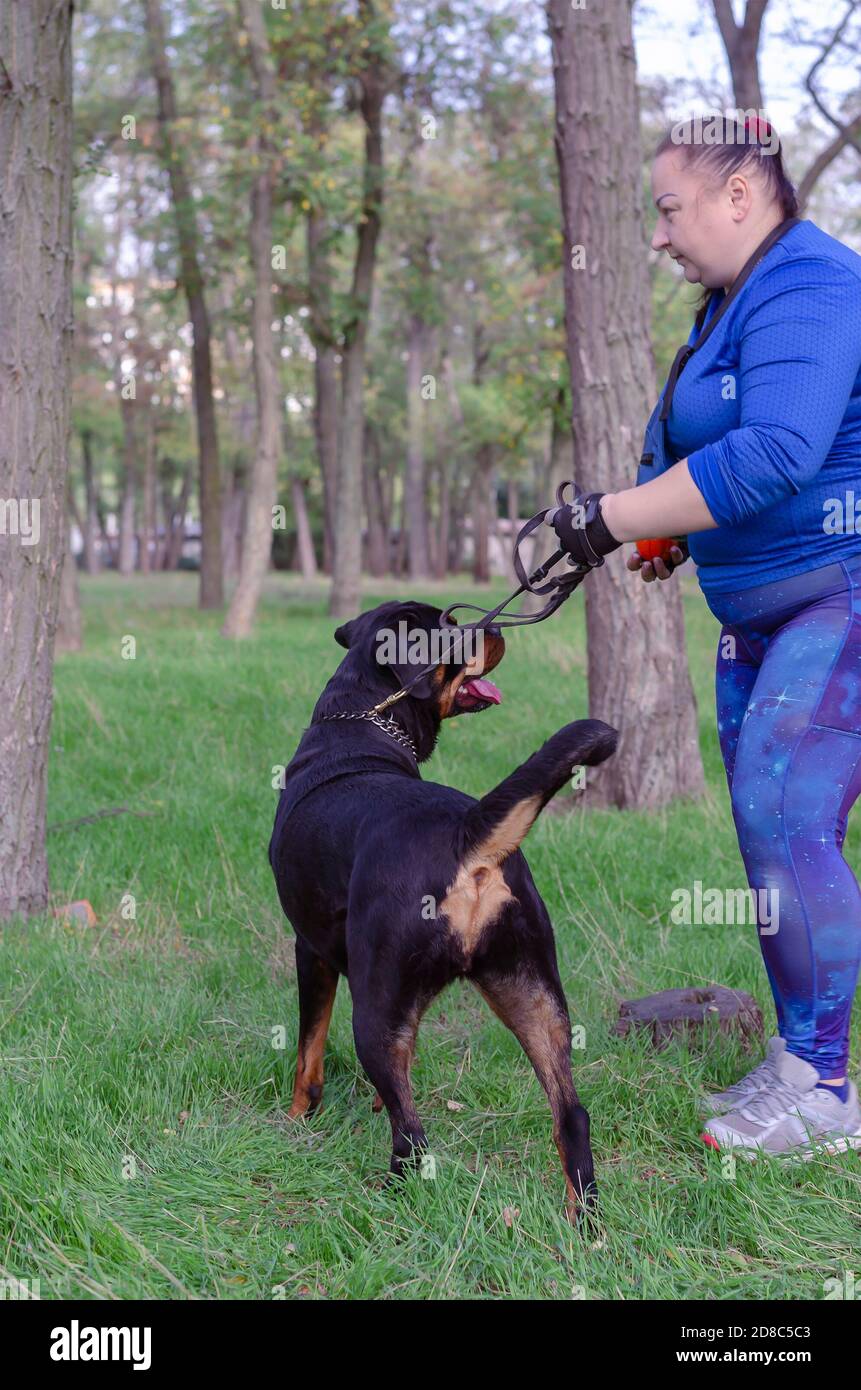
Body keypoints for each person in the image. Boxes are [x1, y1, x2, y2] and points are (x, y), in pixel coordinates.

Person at [549, 114, 861, 1160]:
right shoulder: (733, 302)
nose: (659, 234)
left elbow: (777, 449)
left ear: (741, 194)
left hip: (842, 601)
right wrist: (667, 531)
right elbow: (711, 445)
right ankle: (801, 1056)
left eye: (670, 208)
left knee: (785, 810)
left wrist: (609, 517)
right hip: (761, 615)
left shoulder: (813, 281)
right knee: (769, 831)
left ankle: (824, 1094)